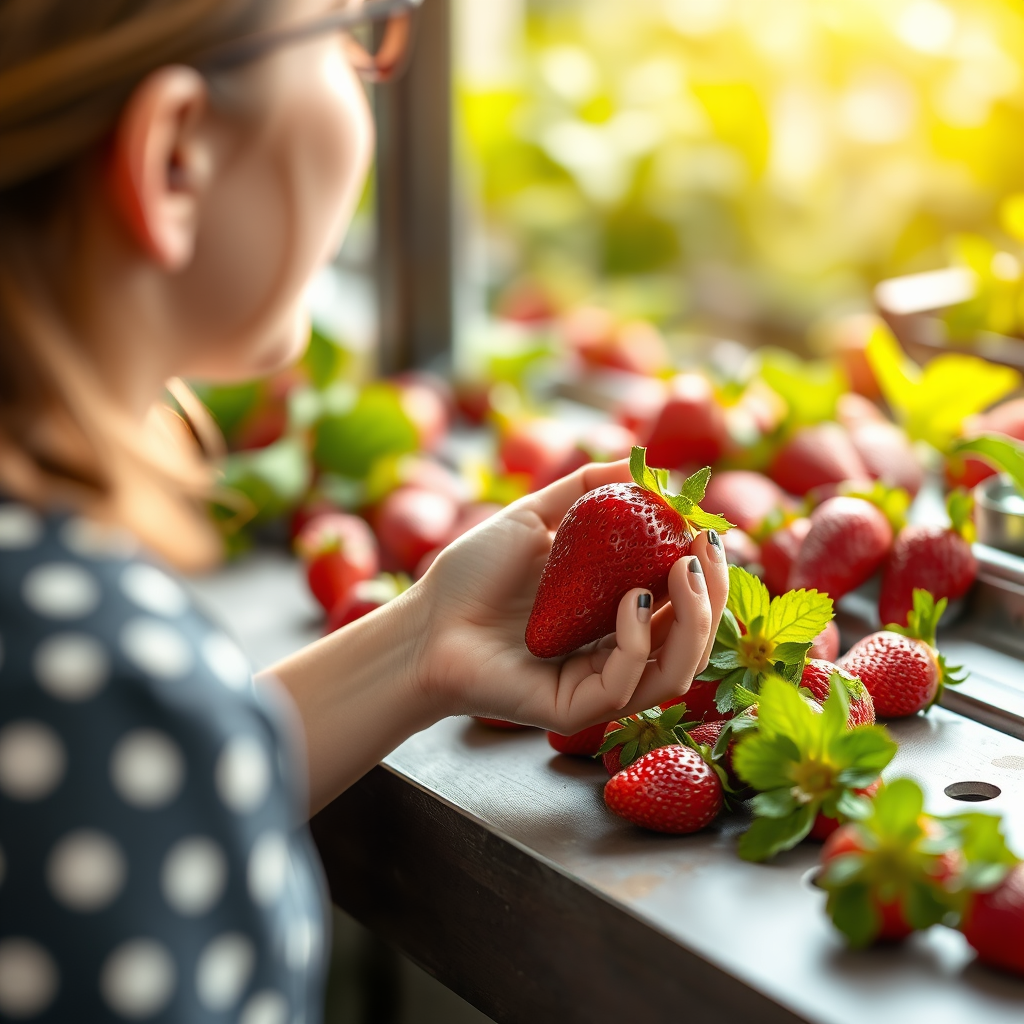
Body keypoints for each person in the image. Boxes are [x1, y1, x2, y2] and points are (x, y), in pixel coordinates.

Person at [0, 1, 730, 1020]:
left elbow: (124, 806)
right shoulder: (93, 680)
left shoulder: (60, 654)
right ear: (174, 157)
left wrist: (426, 642)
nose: (373, 78)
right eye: (349, 36)